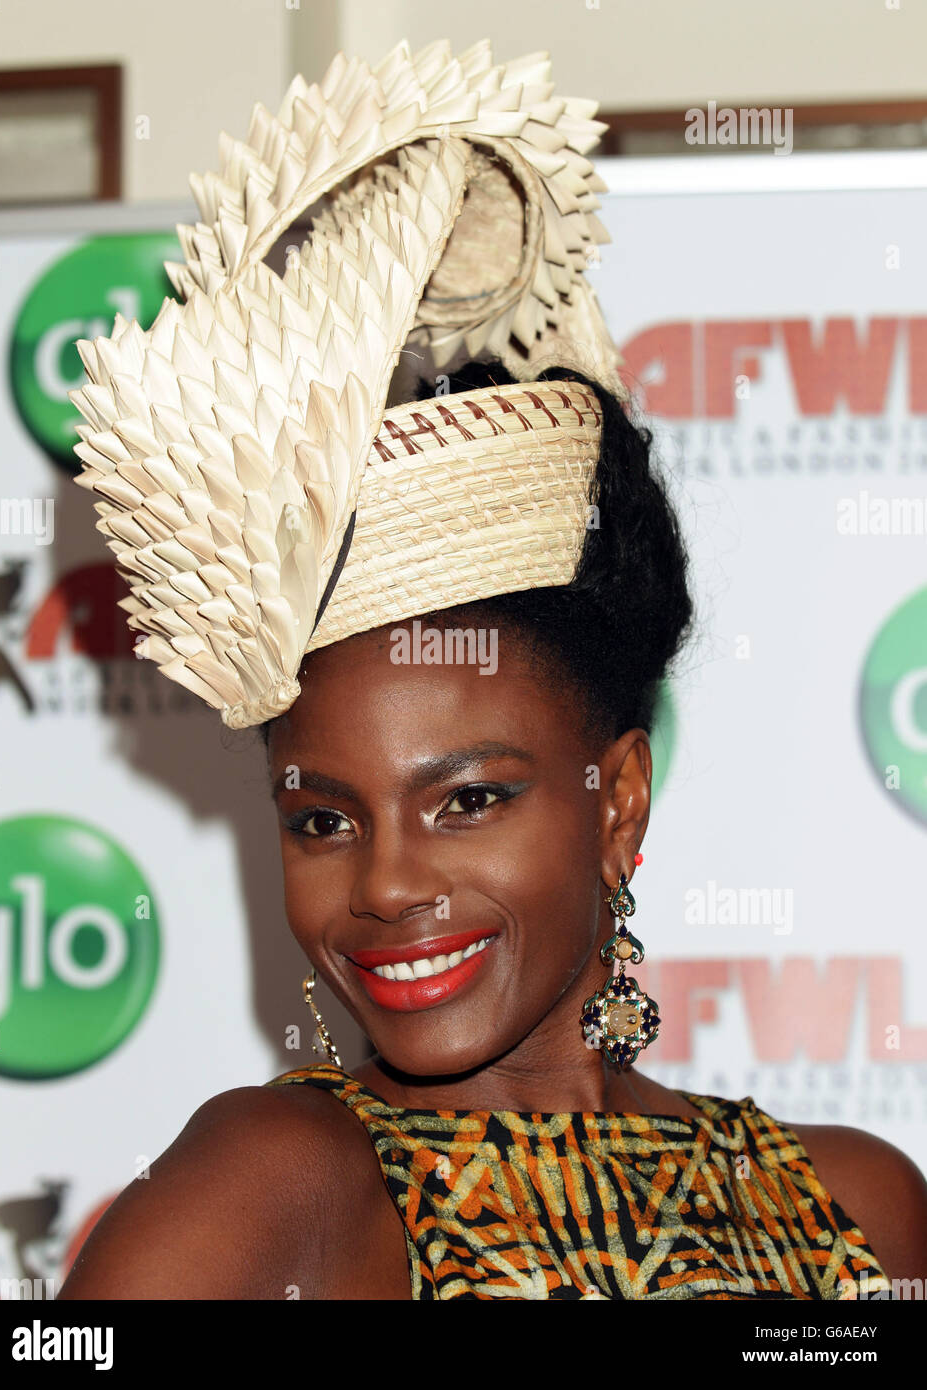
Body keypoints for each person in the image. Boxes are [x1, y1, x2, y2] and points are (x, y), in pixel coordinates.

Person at [57, 38, 927, 1300]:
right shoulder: (278, 1186)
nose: (385, 884)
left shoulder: (854, 1212)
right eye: (321, 816)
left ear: (616, 798)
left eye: (466, 798)